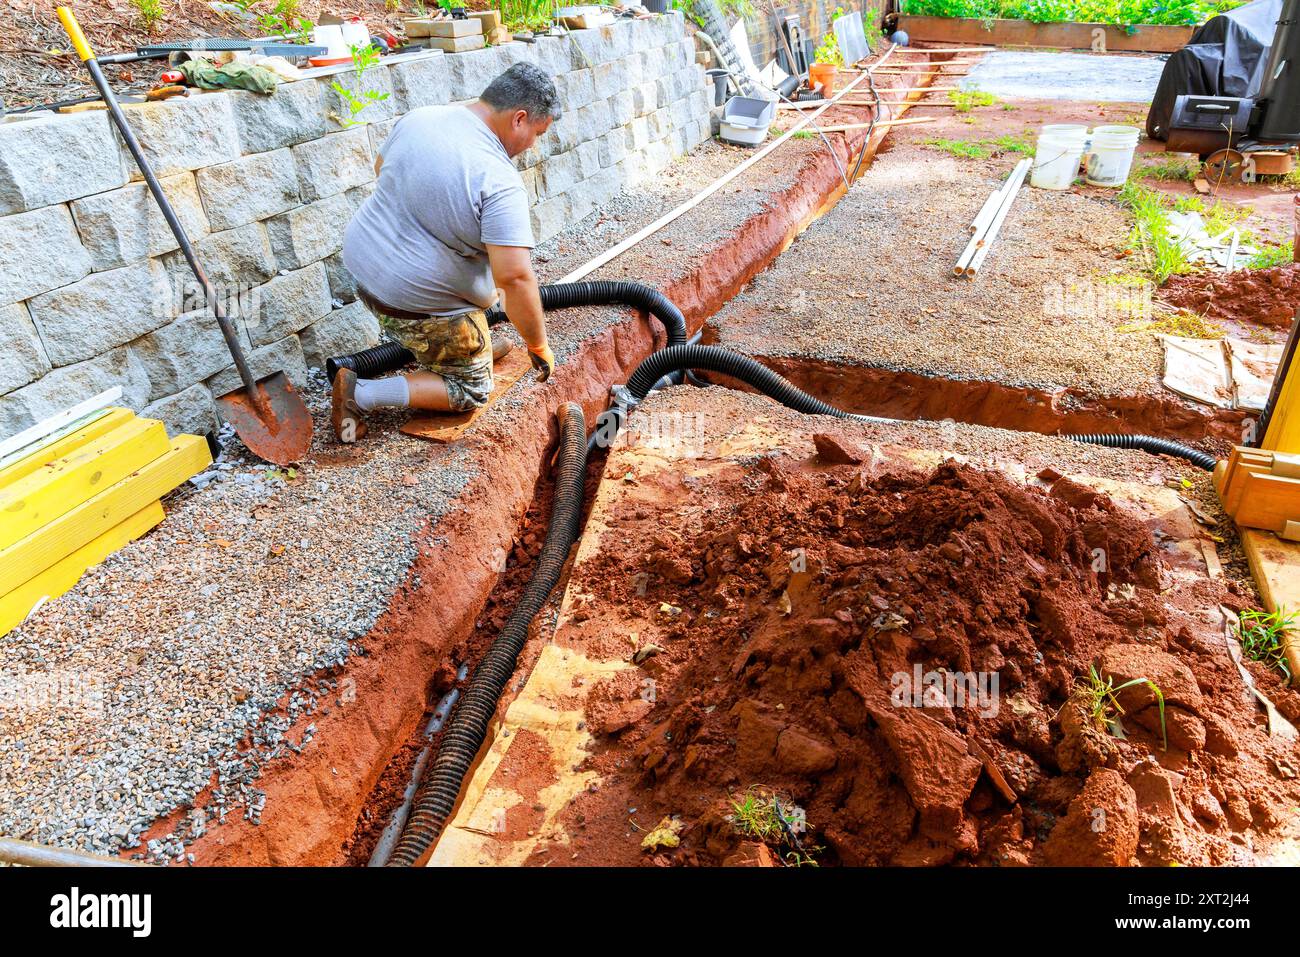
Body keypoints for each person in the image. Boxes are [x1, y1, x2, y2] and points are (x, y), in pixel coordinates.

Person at [332, 62, 560, 442]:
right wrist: (538, 345)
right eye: (537, 133)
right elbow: (515, 279)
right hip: (408, 302)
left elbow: (382, 170)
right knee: (470, 390)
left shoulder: (421, 118)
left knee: (474, 304)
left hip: (361, 269)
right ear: (519, 118)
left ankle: (470, 351)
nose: (533, 145)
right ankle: (362, 393)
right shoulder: (499, 181)